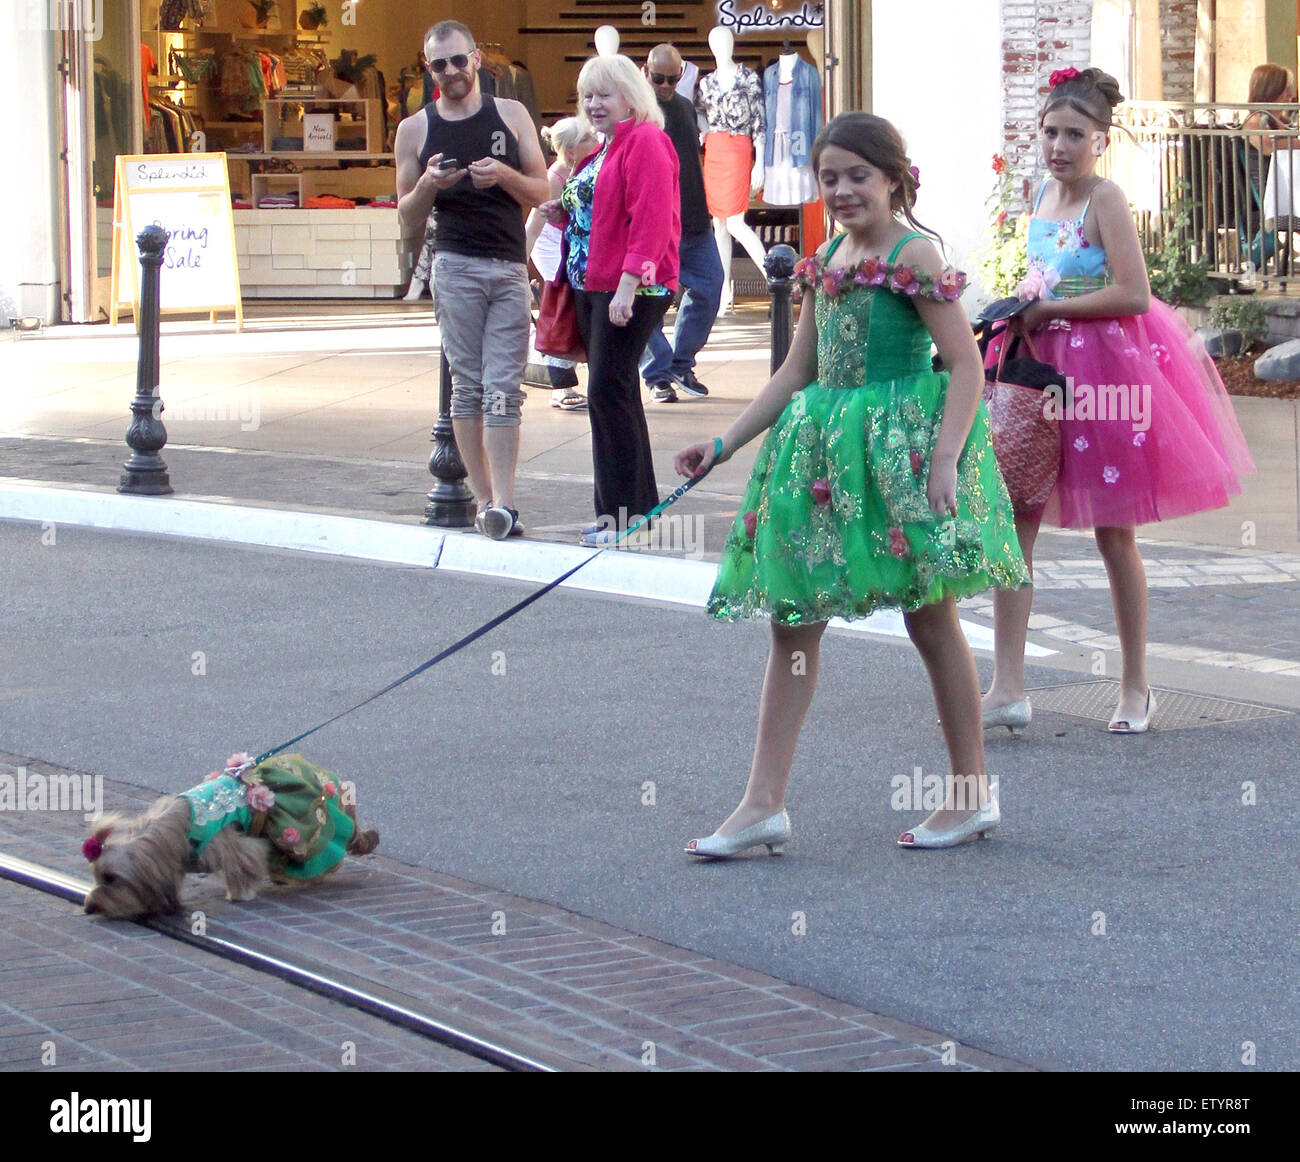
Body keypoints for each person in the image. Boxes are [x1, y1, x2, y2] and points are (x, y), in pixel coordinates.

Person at [674, 113, 1030, 854]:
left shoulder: (915, 252)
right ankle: (761, 803)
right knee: (793, 620)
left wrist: (944, 460)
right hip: (826, 458)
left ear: (894, 179)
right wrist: (726, 442)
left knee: (931, 617)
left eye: (857, 175)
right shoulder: (827, 255)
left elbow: (964, 363)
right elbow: (797, 371)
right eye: (828, 177)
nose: (841, 190)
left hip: (902, 453)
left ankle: (970, 794)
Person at [982, 67, 1255, 736]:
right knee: (1016, 518)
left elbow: (1134, 293)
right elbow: (1042, 272)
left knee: (1114, 531)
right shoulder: (1044, 192)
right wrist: (1021, 306)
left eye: (1074, 134)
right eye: (1049, 131)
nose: (1058, 145)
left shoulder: (1105, 198)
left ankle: (1135, 685)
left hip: (1104, 371)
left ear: (1100, 140)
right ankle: (1006, 685)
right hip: (1040, 369)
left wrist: (1051, 307)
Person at [395, 20, 550, 540]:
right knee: (469, 387)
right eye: (439, 64)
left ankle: (505, 500)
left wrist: (502, 175)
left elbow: (541, 191)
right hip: (455, 266)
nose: (451, 72)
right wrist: (428, 185)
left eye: (458, 60)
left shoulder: (511, 114)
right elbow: (407, 216)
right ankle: (488, 504)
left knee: (504, 388)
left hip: (507, 267)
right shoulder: (415, 129)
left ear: (477, 59)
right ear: (428, 68)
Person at [538, 54, 681, 546]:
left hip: (628, 289)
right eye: (587, 96)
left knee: (607, 392)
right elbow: (608, 208)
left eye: (603, 94)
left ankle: (622, 519)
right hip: (595, 285)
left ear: (630, 96)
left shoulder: (645, 140)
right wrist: (564, 210)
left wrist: (626, 285)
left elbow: (652, 219)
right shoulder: (609, 145)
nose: (593, 105)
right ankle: (632, 514)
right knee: (614, 394)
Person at [639, 43, 725, 404]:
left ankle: (679, 362)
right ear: (645, 72)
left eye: (673, 79)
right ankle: (657, 372)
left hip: (692, 217)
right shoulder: (636, 112)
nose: (666, 86)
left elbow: (690, 163)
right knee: (650, 299)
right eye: (659, 78)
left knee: (710, 284)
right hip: (654, 223)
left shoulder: (685, 107)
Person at [524, 117, 599, 411]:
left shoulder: (583, 167)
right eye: (588, 139)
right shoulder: (554, 180)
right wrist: (518, 266)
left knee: (576, 306)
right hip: (549, 243)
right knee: (565, 304)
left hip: (570, 240)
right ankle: (561, 386)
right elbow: (533, 226)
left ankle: (574, 379)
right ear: (569, 151)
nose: (595, 142)